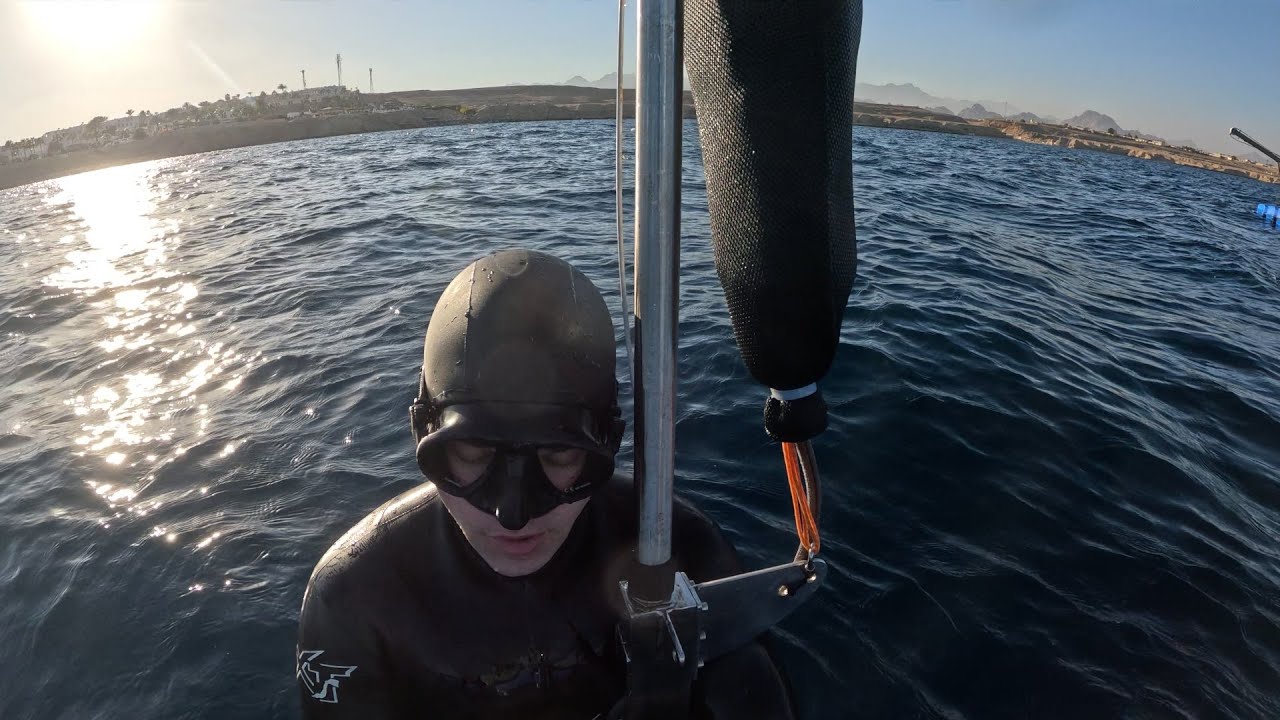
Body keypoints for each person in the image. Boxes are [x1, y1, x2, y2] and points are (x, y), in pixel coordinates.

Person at [296, 249, 794, 719]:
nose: (513, 514)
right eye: (473, 453)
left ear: (608, 442)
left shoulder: (678, 548)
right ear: (423, 434)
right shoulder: (355, 597)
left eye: (559, 454)